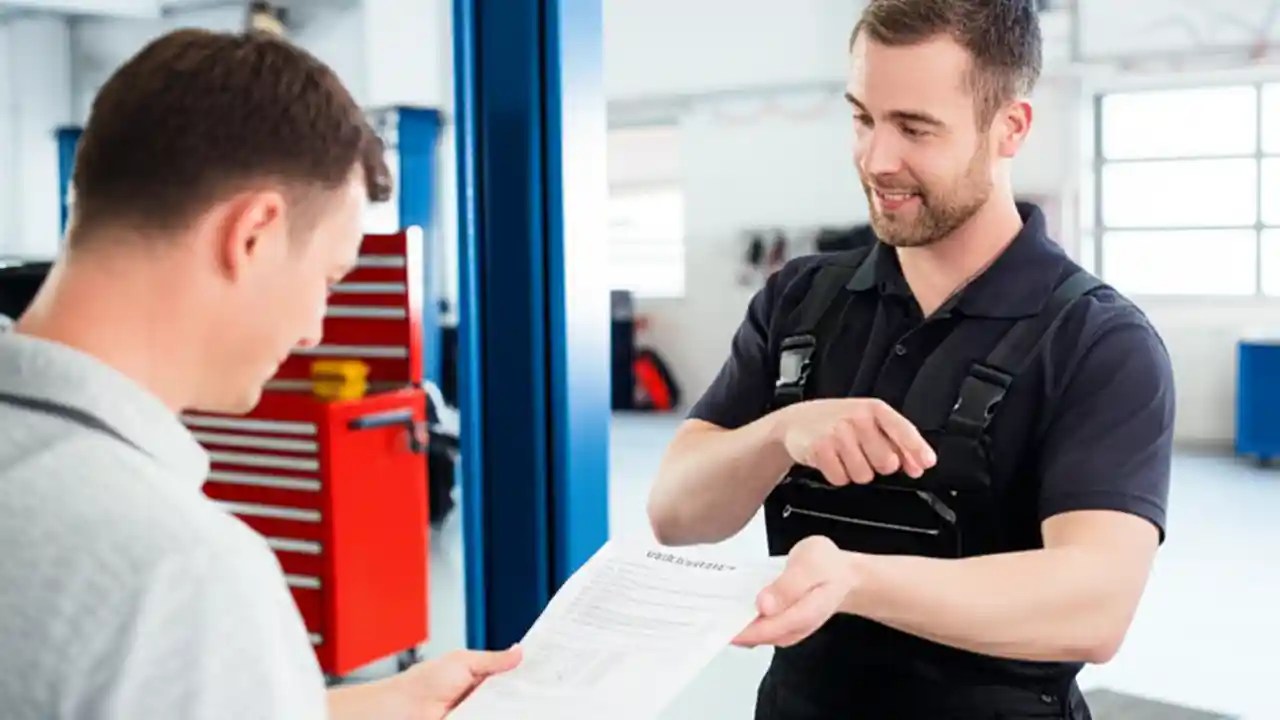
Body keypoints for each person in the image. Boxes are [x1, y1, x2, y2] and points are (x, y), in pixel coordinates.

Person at [648, 1, 1175, 718]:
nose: (876, 159)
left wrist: (856, 582)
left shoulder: (1099, 343)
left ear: (1009, 128)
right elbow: (675, 514)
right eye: (863, 118)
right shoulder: (798, 305)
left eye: (914, 129)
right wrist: (778, 432)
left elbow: (1094, 605)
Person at [0, 30, 518, 719]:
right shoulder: (181, 573)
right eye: (328, 278)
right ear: (254, 234)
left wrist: (377, 706)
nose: (316, 329)